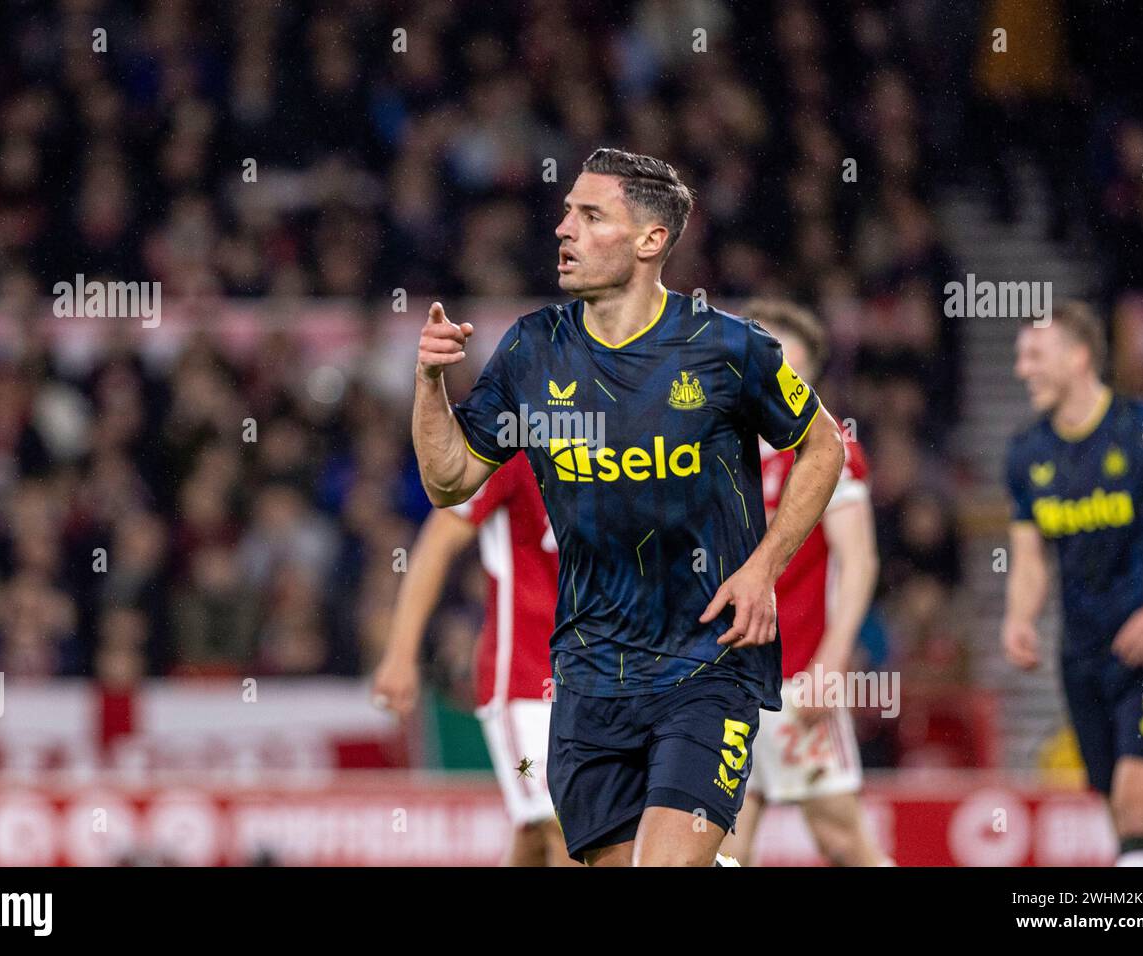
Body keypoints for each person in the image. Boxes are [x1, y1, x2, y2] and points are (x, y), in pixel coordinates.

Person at [411, 147, 845, 866]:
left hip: (708, 663)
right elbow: (449, 480)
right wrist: (430, 384)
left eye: (589, 215)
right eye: (565, 212)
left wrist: (764, 566)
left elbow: (822, 446)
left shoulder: (726, 348)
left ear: (650, 241)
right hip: (587, 673)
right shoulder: (531, 349)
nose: (562, 229)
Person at [1003, 300, 1143, 866]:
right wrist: (1019, 617)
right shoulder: (1026, 454)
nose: (1022, 369)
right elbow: (1030, 556)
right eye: (1018, 357)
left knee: (1137, 806)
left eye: (1035, 354)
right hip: (1084, 658)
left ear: (1079, 355)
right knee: (1127, 819)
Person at [719, 299, 891, 866]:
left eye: (784, 361)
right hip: (720, 677)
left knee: (841, 837)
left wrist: (833, 661)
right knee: (724, 843)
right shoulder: (709, 445)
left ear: (809, 376)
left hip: (797, 675)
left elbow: (860, 559)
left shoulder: (826, 446)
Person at [372, 453, 573, 866]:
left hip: (610, 676)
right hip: (527, 681)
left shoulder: (630, 439)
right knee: (564, 825)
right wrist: (400, 653)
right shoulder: (514, 447)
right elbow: (440, 537)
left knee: (541, 831)